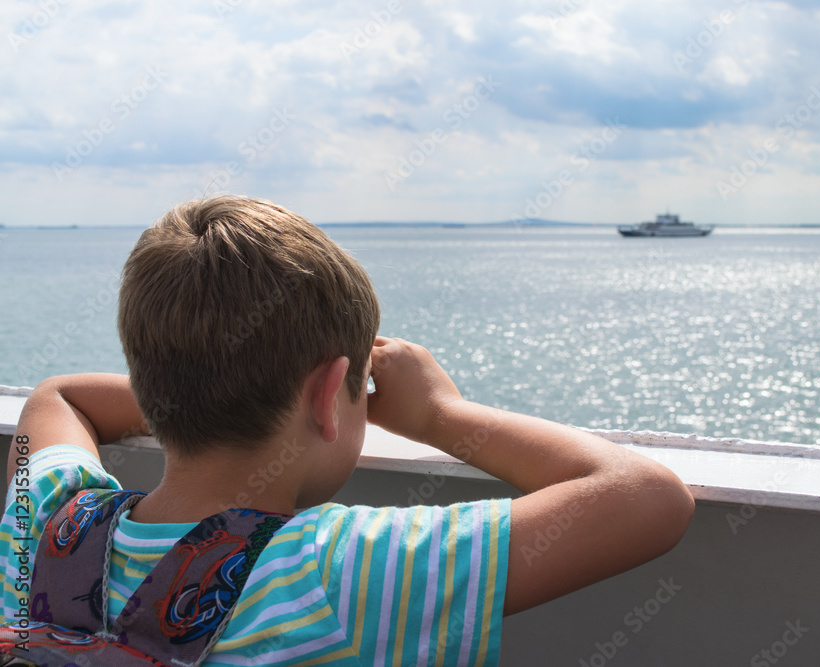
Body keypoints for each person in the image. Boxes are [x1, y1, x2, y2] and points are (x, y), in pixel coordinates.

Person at [1, 195, 694, 665]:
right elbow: (649, 496)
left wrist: (194, 389)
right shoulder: (336, 571)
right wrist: (443, 416)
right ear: (329, 396)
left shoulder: (46, 519)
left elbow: (57, 395)